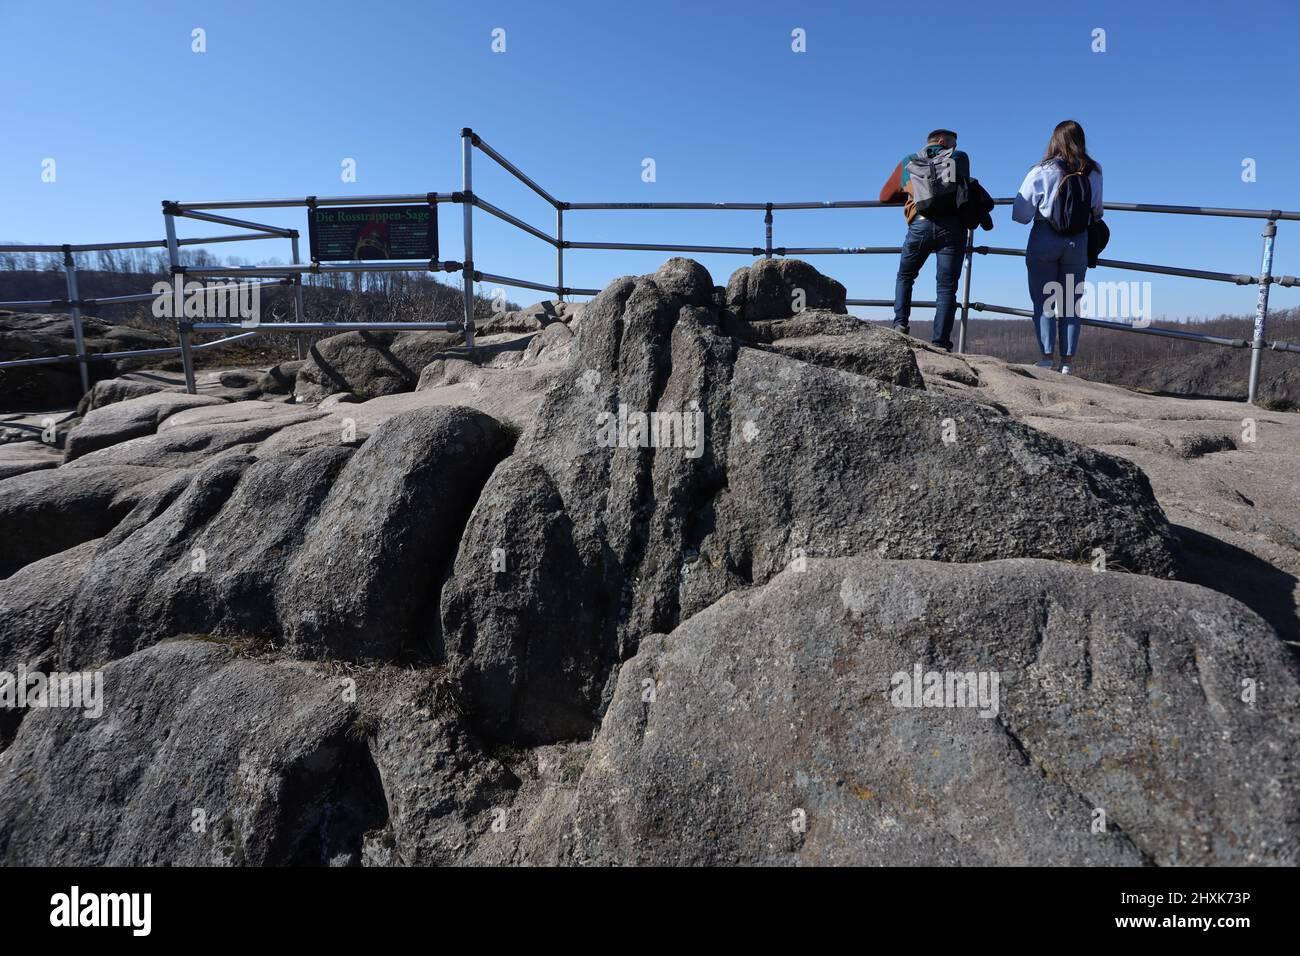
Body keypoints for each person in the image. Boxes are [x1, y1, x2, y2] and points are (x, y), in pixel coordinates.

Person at [1012, 120, 1104, 375]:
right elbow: (1097, 210)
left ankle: (1046, 357)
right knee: (1070, 303)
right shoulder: (1094, 171)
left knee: (1044, 302)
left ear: (1055, 140)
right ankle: (1068, 363)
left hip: (1045, 237)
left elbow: (1021, 214)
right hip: (1079, 240)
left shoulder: (1042, 170)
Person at [880, 129, 970, 351]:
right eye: (953, 143)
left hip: (919, 224)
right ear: (942, 142)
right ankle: (940, 343)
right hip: (952, 227)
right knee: (946, 288)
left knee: (906, 275)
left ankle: (900, 325)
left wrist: (914, 193)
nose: (955, 148)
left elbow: (884, 196)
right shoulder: (959, 157)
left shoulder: (910, 160)